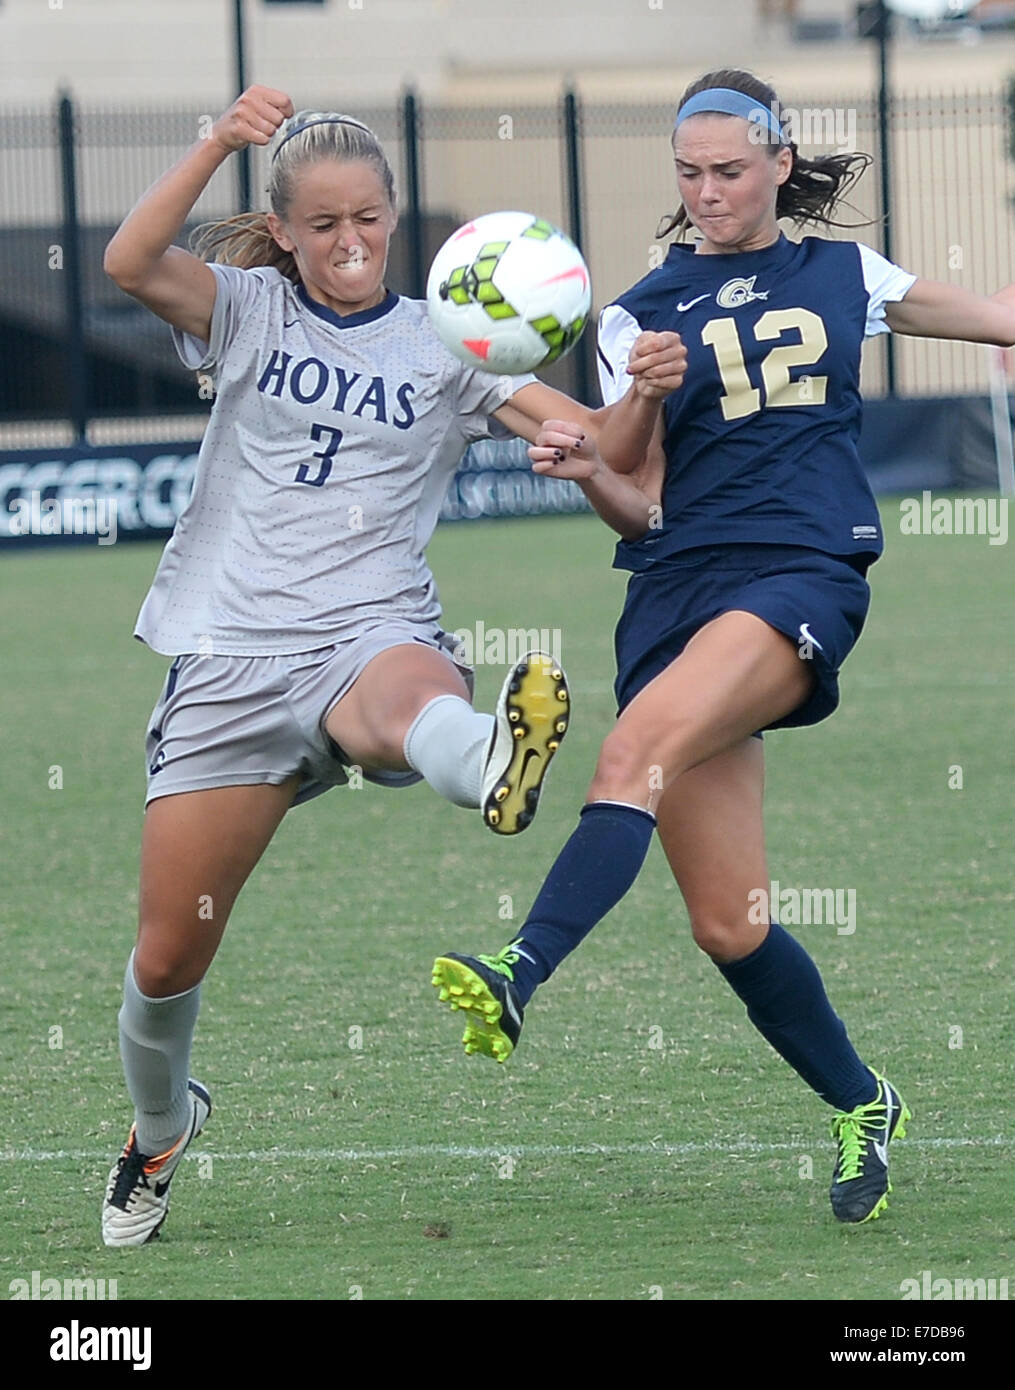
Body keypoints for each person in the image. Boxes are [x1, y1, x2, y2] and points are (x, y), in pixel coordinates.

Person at [99, 85, 684, 1247]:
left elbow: (603, 443)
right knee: (168, 956)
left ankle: (492, 761)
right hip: (231, 651)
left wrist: (633, 399)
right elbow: (128, 259)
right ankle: (160, 1127)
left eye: (368, 217)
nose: (350, 240)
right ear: (283, 232)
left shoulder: (450, 342)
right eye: (323, 224)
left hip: (371, 625)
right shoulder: (249, 308)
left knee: (413, 695)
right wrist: (217, 138)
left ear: (398, 215)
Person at [433, 67, 1015, 1225]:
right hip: (673, 593)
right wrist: (608, 441)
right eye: (689, 174)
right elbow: (637, 503)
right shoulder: (635, 312)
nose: (707, 193)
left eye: (730, 171)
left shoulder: (842, 272)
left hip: (798, 573)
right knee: (727, 921)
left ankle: (517, 970)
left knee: (625, 756)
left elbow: (970, 311)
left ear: (779, 163)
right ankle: (863, 1101)